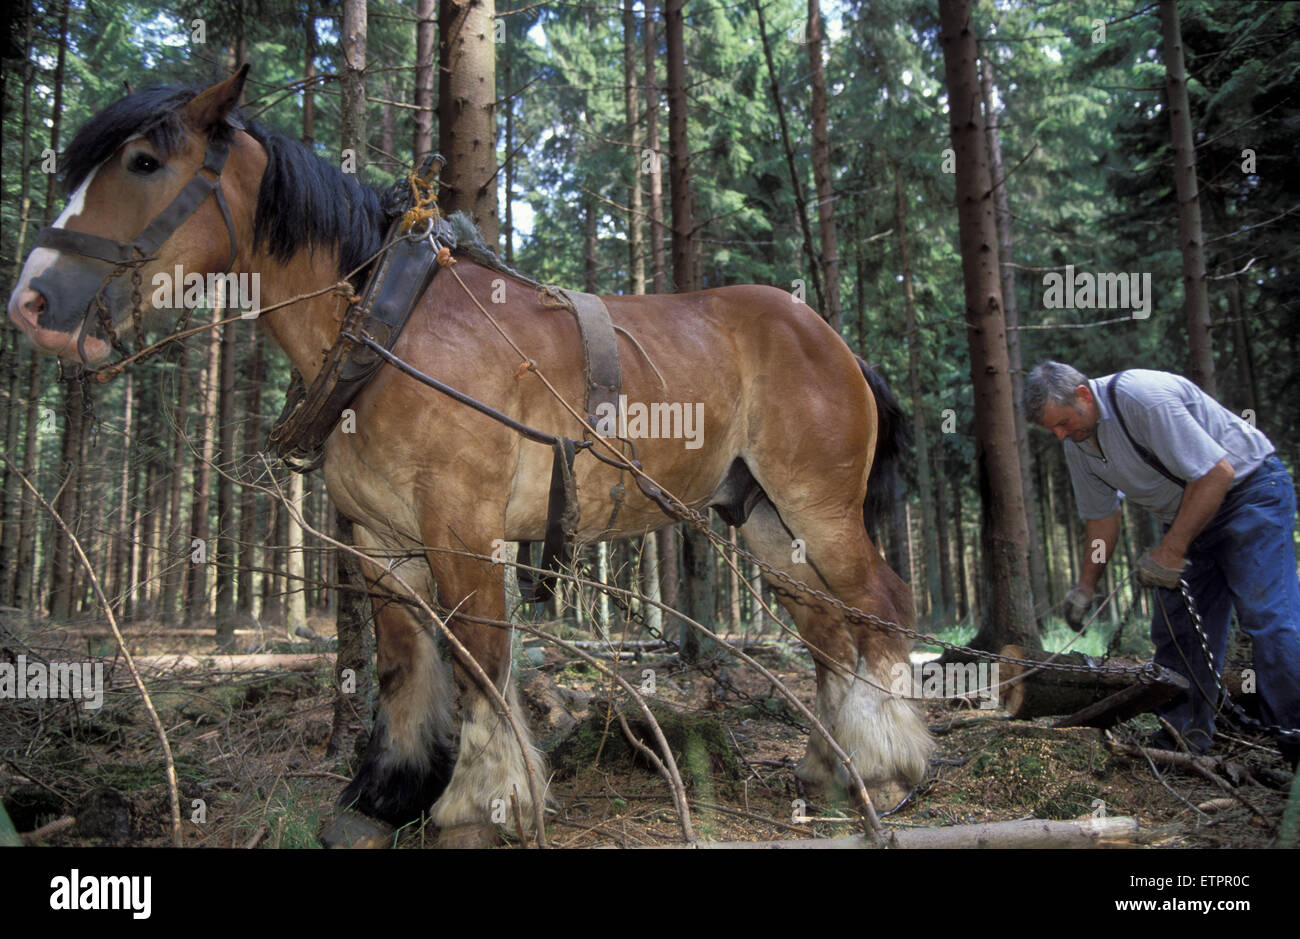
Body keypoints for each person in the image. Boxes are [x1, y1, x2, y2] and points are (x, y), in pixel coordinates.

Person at [1023, 361, 1300, 765]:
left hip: (1249, 492)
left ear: (1083, 395)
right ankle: (1182, 739)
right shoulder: (1077, 446)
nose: (1062, 435)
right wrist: (1085, 586)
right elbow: (1102, 520)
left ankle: (1294, 734)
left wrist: (1170, 550)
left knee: (1267, 618)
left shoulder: (1141, 398)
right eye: (1052, 430)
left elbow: (1216, 474)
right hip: (1190, 515)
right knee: (1179, 631)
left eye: (1063, 423)